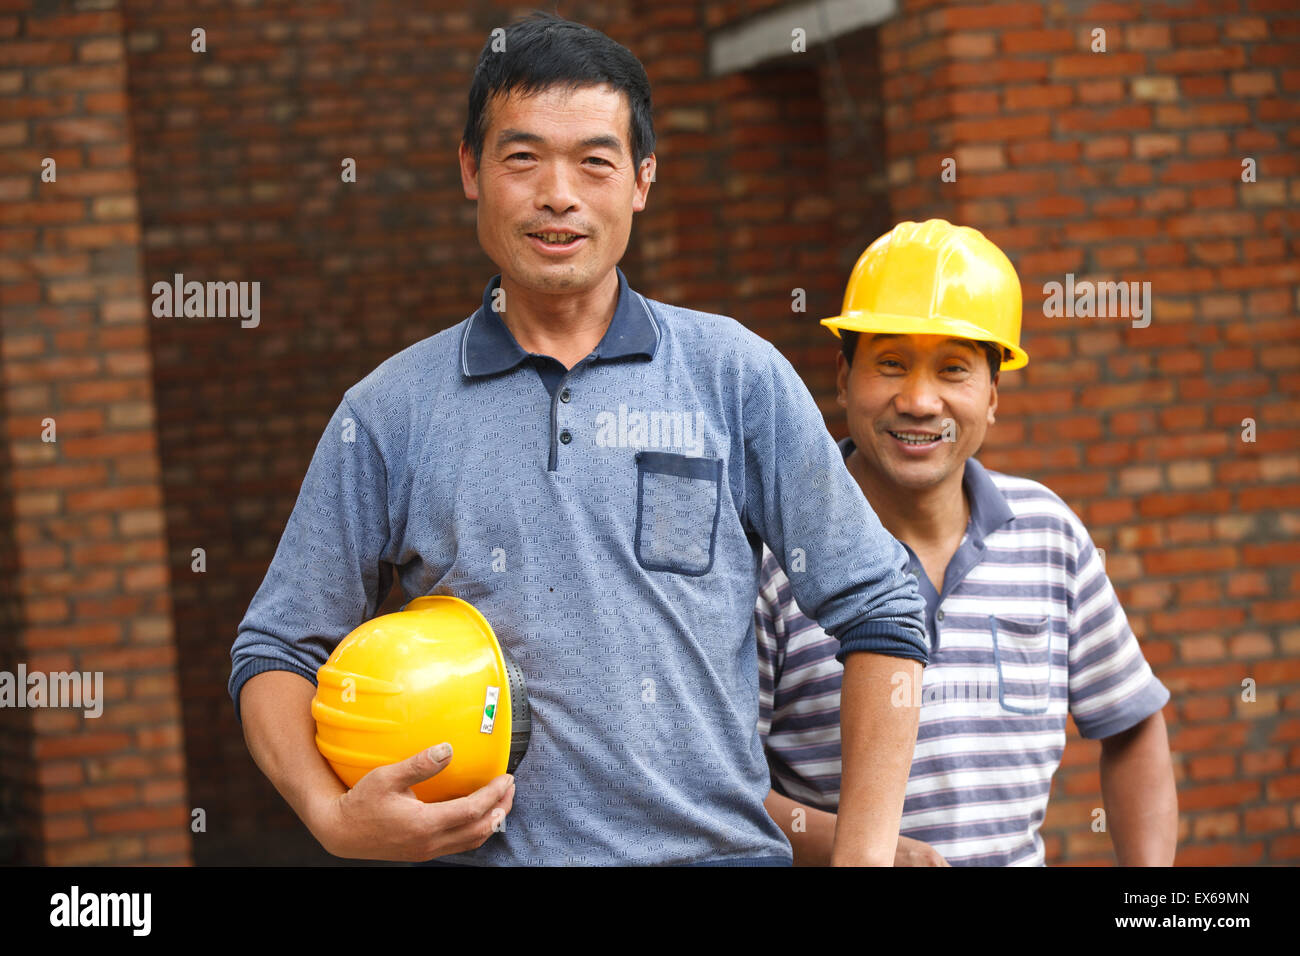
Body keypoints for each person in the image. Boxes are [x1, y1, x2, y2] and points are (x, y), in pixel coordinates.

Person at [229, 12, 928, 867]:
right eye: (522, 158)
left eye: (594, 162)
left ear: (640, 181)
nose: (557, 194)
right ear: (470, 171)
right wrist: (331, 816)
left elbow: (884, 610)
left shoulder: (734, 376)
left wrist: (863, 857)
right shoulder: (387, 414)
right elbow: (274, 648)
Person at [757, 219, 1178, 866]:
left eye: (954, 369)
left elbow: (1131, 724)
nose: (920, 400)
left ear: (992, 396)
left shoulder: (1048, 534)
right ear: (842, 378)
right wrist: (872, 851)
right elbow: (722, 787)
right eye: (890, 364)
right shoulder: (774, 554)